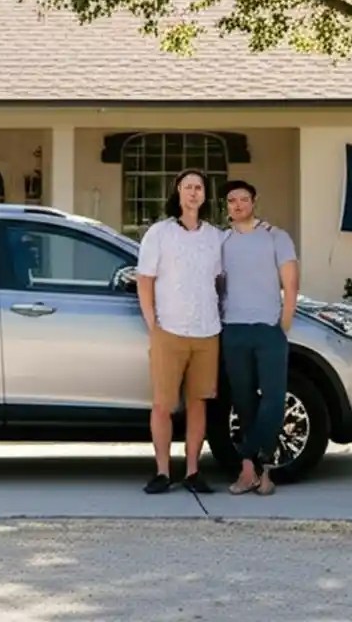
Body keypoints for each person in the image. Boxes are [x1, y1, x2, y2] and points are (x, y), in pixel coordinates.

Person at [135, 169, 224, 494]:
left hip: (206, 331)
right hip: (168, 330)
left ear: (204, 195)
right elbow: (145, 280)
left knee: (199, 402)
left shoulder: (215, 237)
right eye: (188, 187)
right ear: (178, 192)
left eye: (199, 187)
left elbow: (219, 280)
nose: (193, 193)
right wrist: (152, 324)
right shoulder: (159, 234)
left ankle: (192, 471)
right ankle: (161, 471)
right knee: (162, 404)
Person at [218, 179, 299, 495]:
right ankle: (257, 472)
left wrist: (284, 323)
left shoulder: (276, 237)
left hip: (269, 329)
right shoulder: (222, 241)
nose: (237, 205)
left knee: (274, 400)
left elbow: (291, 284)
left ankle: (247, 458)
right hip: (234, 328)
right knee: (244, 402)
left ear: (254, 201)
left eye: (243, 199)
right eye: (231, 200)